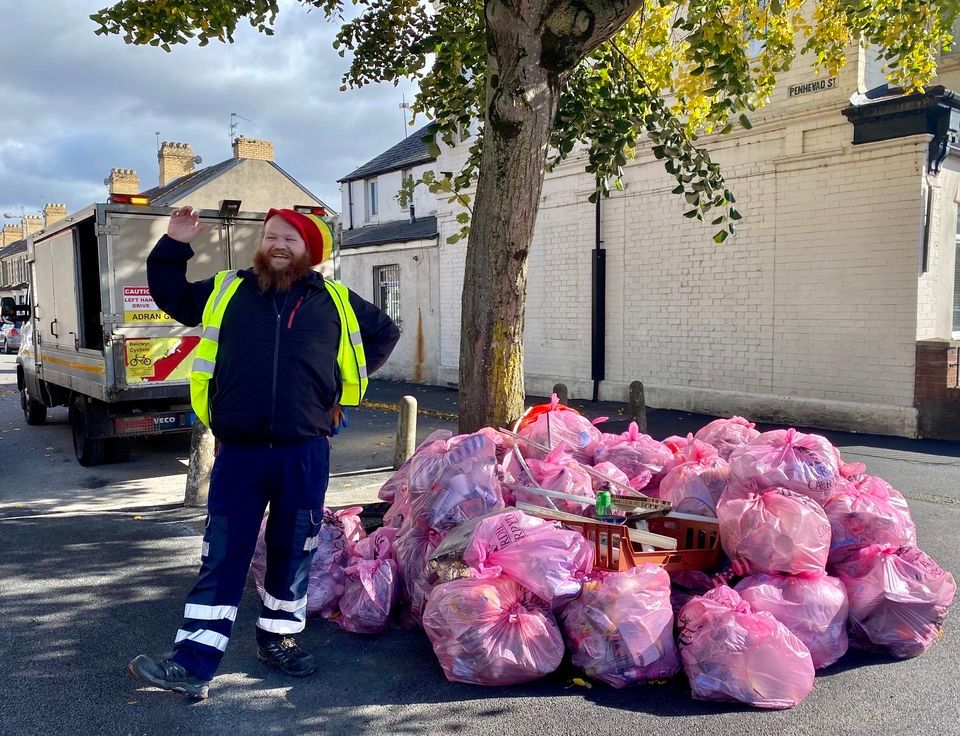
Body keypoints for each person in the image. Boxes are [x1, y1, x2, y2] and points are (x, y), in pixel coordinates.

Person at [128, 206, 400, 699]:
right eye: (271, 236)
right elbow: (171, 295)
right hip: (241, 451)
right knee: (223, 551)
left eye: (289, 240)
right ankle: (192, 662)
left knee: (293, 549)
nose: (277, 245)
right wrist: (174, 244)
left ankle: (278, 640)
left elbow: (384, 333)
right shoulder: (228, 289)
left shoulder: (335, 301)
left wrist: (337, 392)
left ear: (310, 252)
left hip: (305, 450)